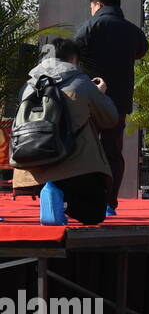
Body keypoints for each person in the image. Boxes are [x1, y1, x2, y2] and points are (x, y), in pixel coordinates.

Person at [11, 38, 120, 225]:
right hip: (73, 166)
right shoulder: (82, 83)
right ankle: (62, 201)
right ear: (73, 59)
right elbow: (110, 119)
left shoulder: (27, 87)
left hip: (30, 166)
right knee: (94, 213)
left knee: (53, 182)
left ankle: (49, 191)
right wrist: (99, 94)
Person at [75, 0, 148, 215]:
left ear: (98, 5)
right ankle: (109, 203)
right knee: (113, 151)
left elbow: (74, 53)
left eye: (92, 7)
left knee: (85, 148)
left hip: (91, 98)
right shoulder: (133, 31)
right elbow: (141, 51)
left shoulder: (90, 26)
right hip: (119, 101)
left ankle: (86, 200)